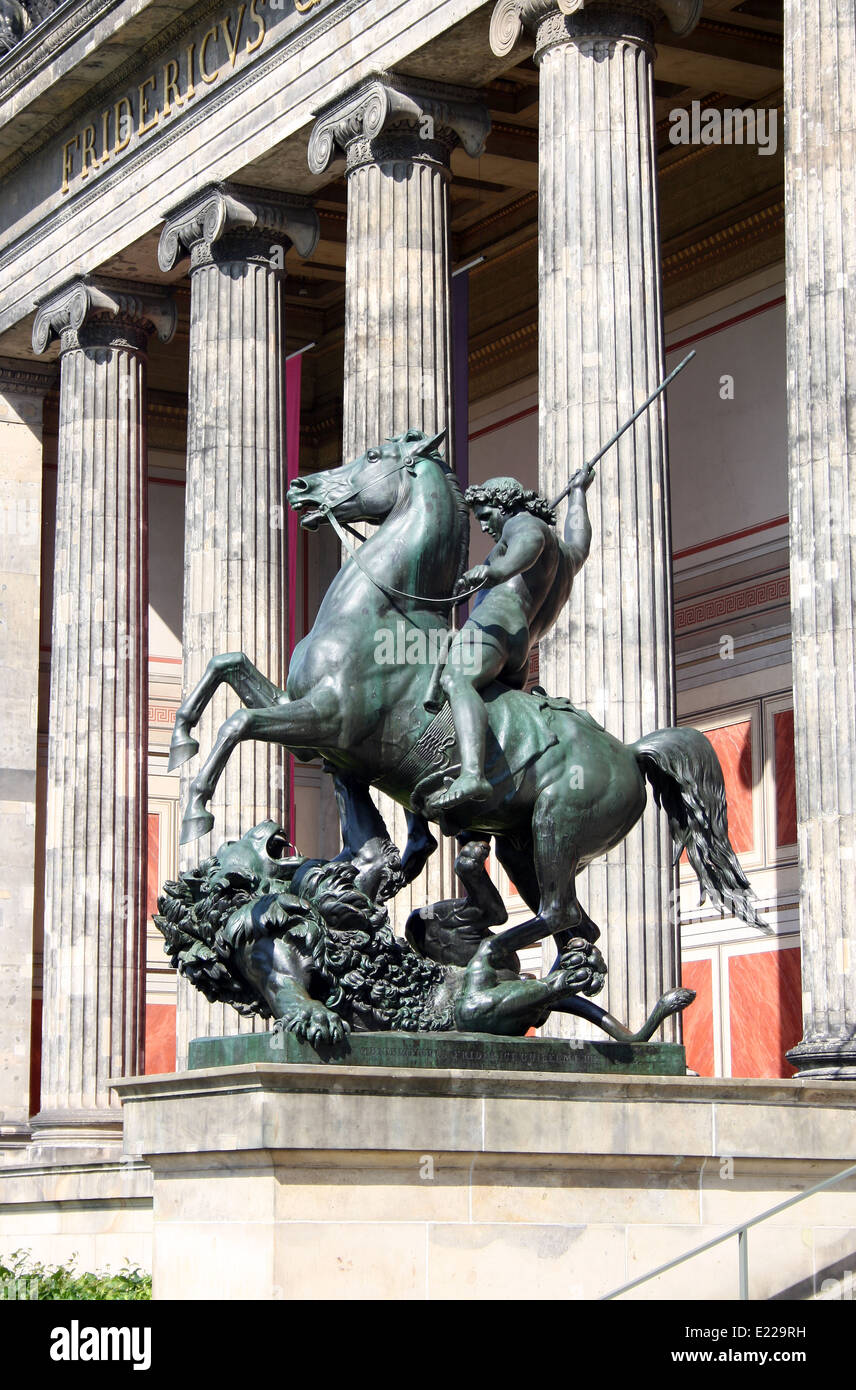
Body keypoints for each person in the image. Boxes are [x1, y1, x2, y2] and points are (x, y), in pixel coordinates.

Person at [426, 465, 595, 814]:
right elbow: (579, 545)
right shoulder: (563, 555)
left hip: (496, 628)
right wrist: (578, 492)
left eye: (486, 515)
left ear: (503, 505)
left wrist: (496, 571)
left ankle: (472, 774)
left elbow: (529, 542)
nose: (485, 525)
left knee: (456, 678)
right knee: (482, 705)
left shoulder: (524, 526)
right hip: (520, 650)